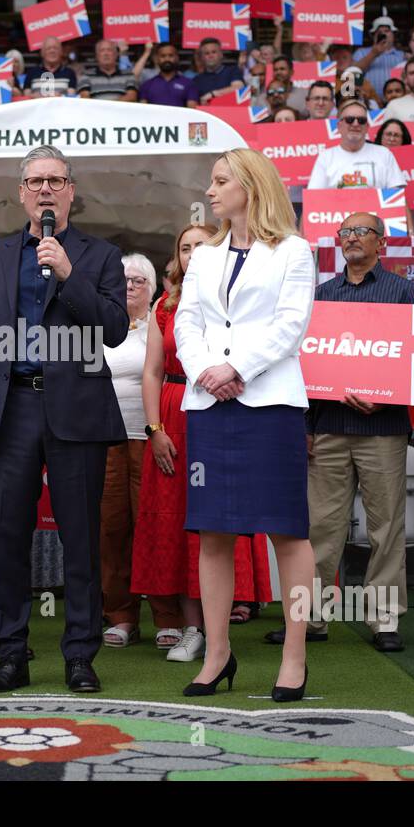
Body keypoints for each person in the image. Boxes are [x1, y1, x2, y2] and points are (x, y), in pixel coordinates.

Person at [0, 144, 129, 694]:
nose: (44, 190)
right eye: (35, 181)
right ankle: (11, 653)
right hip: (8, 412)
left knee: (80, 541)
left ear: (70, 191)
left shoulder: (100, 255)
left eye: (55, 181)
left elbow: (112, 330)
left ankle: (80, 655)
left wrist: (68, 273)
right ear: (21, 193)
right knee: (5, 540)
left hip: (75, 412)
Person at [173, 148, 316, 701]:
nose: (210, 191)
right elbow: (187, 321)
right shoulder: (204, 256)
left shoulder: (294, 251)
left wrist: (237, 368)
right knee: (212, 533)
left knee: (288, 531)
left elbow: (291, 326)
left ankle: (295, 656)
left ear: (250, 187)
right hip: (210, 407)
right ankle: (217, 654)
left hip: (271, 406)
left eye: (219, 181)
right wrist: (208, 372)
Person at [272, 212, 414, 651]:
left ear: (382, 243)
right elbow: (302, 364)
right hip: (329, 428)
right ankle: (310, 620)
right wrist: (304, 425)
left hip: (383, 427)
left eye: (362, 231)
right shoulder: (319, 296)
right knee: (319, 527)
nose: (352, 238)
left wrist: (389, 396)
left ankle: (385, 620)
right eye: (345, 232)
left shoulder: (404, 291)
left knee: (386, 527)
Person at [135, 224, 274, 663]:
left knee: (216, 523)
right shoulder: (164, 307)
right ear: (177, 257)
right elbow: (152, 372)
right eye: (185, 247)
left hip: (225, 412)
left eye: (202, 245)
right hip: (174, 415)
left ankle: (220, 633)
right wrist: (155, 430)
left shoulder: (237, 303)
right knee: (178, 523)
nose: (194, 253)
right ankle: (191, 628)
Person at [95, 252, 182, 649]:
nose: (129, 287)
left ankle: (168, 617)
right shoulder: (95, 325)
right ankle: (121, 615)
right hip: (107, 441)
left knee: (157, 528)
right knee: (112, 530)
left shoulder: (161, 325)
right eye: (122, 280)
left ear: (152, 288)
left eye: (138, 281)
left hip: (153, 439)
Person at [308, 99, 406, 190]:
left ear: (367, 127)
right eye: (349, 119)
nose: (355, 124)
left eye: (361, 120)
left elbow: (397, 197)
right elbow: (314, 198)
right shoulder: (325, 157)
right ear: (339, 126)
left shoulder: (384, 154)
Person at [353, 16, 406, 99]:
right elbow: (353, 72)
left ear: (393, 34)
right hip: (370, 101)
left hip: (396, 100)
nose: (383, 34)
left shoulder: (402, 55)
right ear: (374, 35)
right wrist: (374, 53)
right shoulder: (361, 52)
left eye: (386, 31)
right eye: (379, 32)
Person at [189, 38, 245, 107]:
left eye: (214, 52)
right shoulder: (196, 80)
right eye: (207, 53)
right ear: (202, 58)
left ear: (221, 54)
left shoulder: (233, 71)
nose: (210, 56)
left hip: (231, 113)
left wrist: (212, 94)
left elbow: (239, 87)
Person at [138, 43, 193, 107]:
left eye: (171, 55)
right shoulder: (147, 85)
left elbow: (192, 110)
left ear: (177, 58)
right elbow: (143, 110)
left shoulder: (188, 84)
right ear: (157, 59)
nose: (167, 59)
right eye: (163, 56)